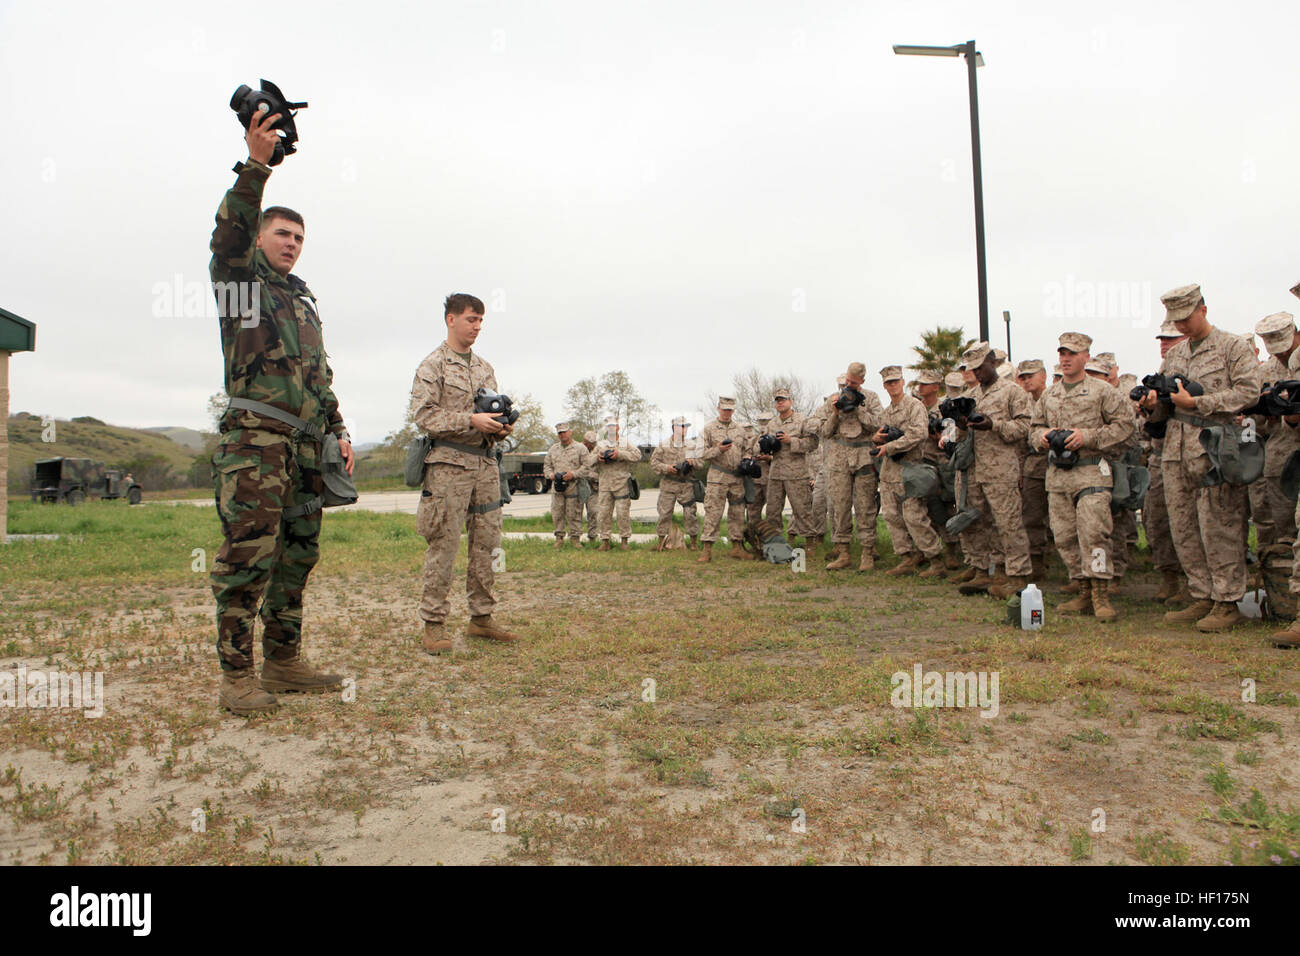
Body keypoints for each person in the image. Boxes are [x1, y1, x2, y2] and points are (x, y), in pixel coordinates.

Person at [208, 106, 352, 716]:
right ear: (261, 239)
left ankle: (284, 660)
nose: (291, 245)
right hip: (256, 441)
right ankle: (237, 676)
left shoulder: (303, 300)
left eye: (298, 238)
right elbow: (229, 237)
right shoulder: (241, 285)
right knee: (249, 556)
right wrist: (256, 165)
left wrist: (338, 428)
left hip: (304, 446)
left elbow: (318, 375)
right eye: (281, 235)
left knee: (297, 553)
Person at [1139, 284, 1261, 632]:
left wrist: (1200, 403)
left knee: (1219, 524)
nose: (1180, 326)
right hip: (1176, 450)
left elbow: (1249, 392)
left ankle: (1227, 600)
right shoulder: (1175, 355)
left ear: (1203, 310)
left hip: (1214, 449)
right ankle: (1202, 594)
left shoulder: (1231, 347)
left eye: (1186, 318)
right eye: (1175, 320)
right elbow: (1165, 403)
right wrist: (1153, 406)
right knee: (1184, 526)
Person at [410, 293, 519, 655]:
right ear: (451, 319)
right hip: (448, 467)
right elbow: (424, 416)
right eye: (471, 319)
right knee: (444, 543)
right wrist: (469, 420)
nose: (477, 327)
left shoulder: (485, 367)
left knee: (487, 544)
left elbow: (493, 411)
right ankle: (434, 623)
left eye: (481, 321)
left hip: (486, 464)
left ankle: (481, 618)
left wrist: (500, 428)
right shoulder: (433, 365)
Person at [1030, 333, 1135, 621]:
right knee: (1064, 536)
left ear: (1086, 357)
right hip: (1058, 476)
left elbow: (1126, 427)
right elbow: (1033, 427)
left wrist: (1088, 436)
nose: (1066, 358)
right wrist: (1042, 437)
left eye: (1073, 353)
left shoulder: (1103, 391)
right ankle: (1083, 588)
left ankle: (1101, 592)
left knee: (1094, 534)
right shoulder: (1050, 394)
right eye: (1062, 353)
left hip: (1091, 472)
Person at [952, 342, 1034, 599]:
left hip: (1001, 470)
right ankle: (988, 570)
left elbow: (1025, 429)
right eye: (972, 370)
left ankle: (1017, 576)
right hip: (975, 469)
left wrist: (993, 425)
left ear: (992, 361)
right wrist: (962, 424)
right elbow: (961, 437)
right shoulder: (973, 396)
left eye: (980, 367)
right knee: (980, 522)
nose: (977, 374)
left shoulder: (1012, 392)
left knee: (1009, 524)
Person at [875, 366, 942, 576]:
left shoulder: (915, 406)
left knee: (915, 517)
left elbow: (919, 434)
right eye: (889, 382)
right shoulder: (886, 412)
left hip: (911, 470)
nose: (893, 385)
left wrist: (890, 447)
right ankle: (906, 557)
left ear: (903, 382)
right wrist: (877, 439)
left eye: (896, 381)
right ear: (884, 386)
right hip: (889, 473)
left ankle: (936, 560)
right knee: (892, 517)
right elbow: (880, 436)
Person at [821, 363, 886, 571]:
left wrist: (858, 408)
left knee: (865, 506)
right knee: (839, 506)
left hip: (863, 456)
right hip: (839, 457)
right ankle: (843, 552)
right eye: (847, 381)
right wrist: (834, 411)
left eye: (853, 383)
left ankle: (868, 552)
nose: (849, 386)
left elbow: (878, 425)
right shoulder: (834, 398)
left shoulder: (871, 398)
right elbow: (825, 432)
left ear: (862, 382)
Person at [765, 385, 821, 555]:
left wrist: (791, 441)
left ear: (791, 401)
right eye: (777, 401)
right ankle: (776, 545)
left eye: (783, 400)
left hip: (797, 473)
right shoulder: (772, 423)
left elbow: (813, 443)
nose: (780, 403)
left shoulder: (802, 421)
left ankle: (809, 543)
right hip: (776, 472)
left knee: (802, 509)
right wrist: (765, 448)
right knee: (773, 510)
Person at [698, 396, 755, 562]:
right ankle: (707, 549)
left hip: (736, 478)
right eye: (724, 409)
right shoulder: (709, 429)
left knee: (737, 513)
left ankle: (737, 547)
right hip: (718, 478)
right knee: (713, 513)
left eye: (730, 409)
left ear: (733, 410)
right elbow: (701, 453)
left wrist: (746, 459)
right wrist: (718, 449)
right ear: (718, 408)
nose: (727, 412)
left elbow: (748, 449)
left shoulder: (740, 429)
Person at [1015, 359, 1051, 581]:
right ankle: (1036, 561)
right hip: (1033, 465)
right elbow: (1020, 442)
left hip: (1060, 463)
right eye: (1023, 377)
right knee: (1032, 516)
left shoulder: (1055, 397)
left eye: (1031, 375)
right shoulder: (1023, 402)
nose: (1027, 380)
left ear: (1044, 376)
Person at [650, 416, 702, 551]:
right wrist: (667, 468)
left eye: (685, 427)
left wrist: (693, 463)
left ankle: (693, 543)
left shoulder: (692, 445)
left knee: (690, 514)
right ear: (674, 428)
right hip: (668, 484)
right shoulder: (664, 445)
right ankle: (661, 542)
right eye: (680, 427)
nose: (683, 430)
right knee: (664, 514)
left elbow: (701, 463)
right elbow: (654, 463)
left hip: (686, 485)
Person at [593, 416, 642, 550]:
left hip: (621, 484)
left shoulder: (625, 443)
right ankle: (605, 541)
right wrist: (597, 458)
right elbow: (588, 461)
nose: (611, 429)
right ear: (606, 429)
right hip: (604, 485)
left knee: (622, 514)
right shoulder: (600, 444)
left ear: (618, 428)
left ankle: (624, 541)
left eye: (614, 426)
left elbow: (638, 455)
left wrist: (620, 454)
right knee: (603, 514)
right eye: (609, 427)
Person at [543, 422, 589, 548]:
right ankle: (559, 538)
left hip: (573, 486)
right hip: (557, 488)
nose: (562, 435)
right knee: (557, 513)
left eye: (564, 432)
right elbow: (547, 466)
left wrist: (573, 474)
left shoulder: (580, 448)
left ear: (570, 432)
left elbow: (587, 467)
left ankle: (575, 538)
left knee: (574, 513)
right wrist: (551, 475)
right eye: (560, 433)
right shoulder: (553, 449)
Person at [580, 430, 600, 541]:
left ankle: (592, 536)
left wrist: (590, 475)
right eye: (585, 442)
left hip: (594, 487)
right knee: (575, 513)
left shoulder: (599, 453)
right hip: (580, 486)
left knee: (593, 512)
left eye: (589, 444)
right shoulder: (578, 450)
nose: (586, 445)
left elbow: (604, 473)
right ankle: (575, 536)